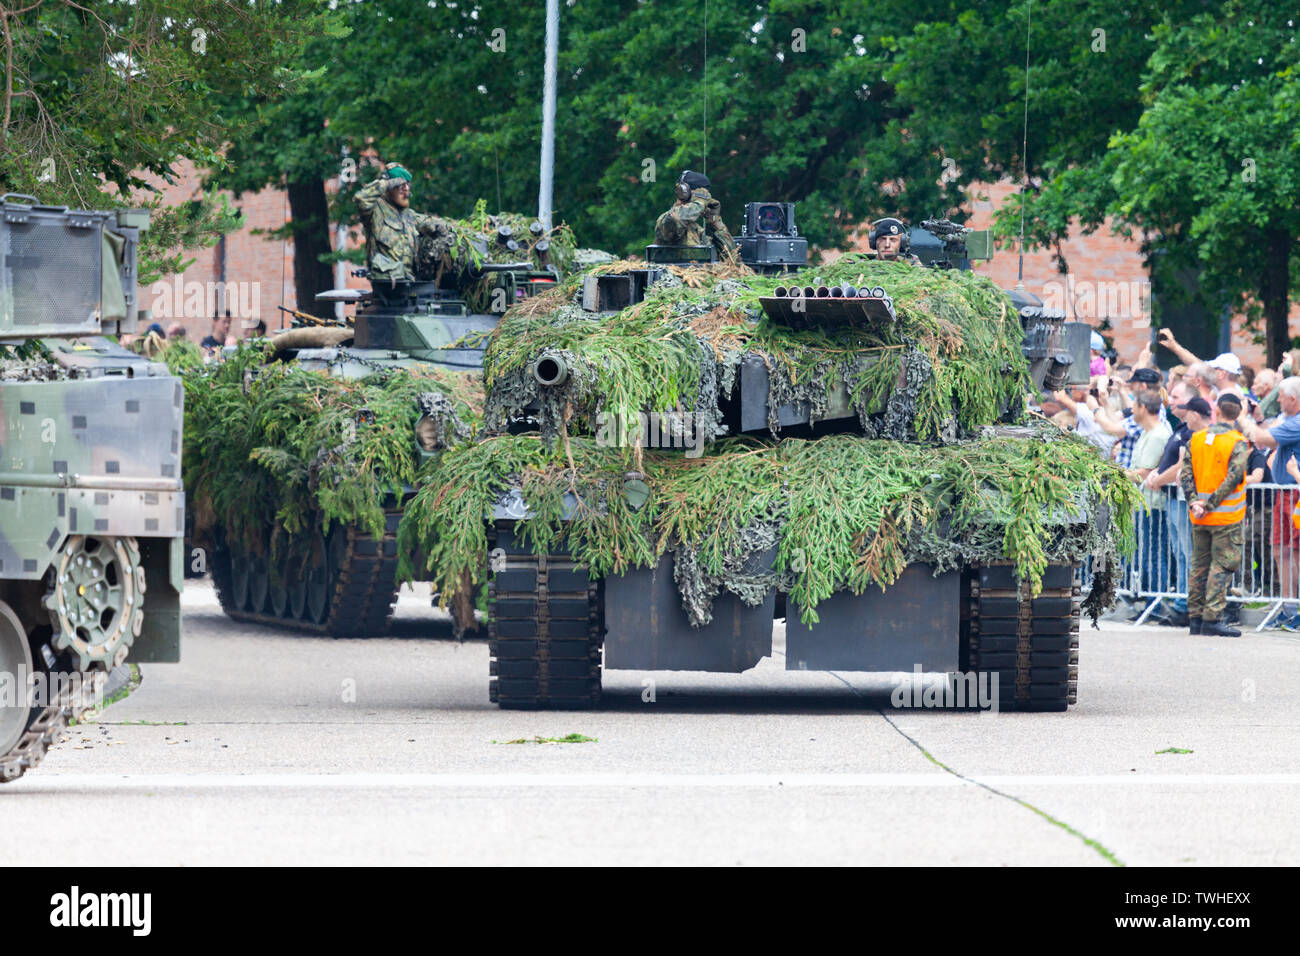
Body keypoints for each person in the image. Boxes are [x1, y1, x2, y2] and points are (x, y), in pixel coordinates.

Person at [1179, 393, 1250, 636]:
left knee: (1199, 566)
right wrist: (1209, 504)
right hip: (1226, 518)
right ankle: (1212, 618)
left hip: (1199, 516)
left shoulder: (1196, 439)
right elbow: (1235, 477)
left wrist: (1194, 503)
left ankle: (1195, 618)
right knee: (1221, 566)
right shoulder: (1238, 441)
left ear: (1217, 411)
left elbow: (1185, 474)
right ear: (1238, 414)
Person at [1235, 376, 1300, 628]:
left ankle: (1293, 608)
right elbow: (1268, 431)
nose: (1278, 400)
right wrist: (1257, 418)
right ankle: (1287, 607)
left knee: (1292, 550)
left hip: (1293, 494)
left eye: (1280, 396)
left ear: (1292, 399)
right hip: (1283, 493)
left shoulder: (1297, 422)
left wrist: (1242, 417)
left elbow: (1262, 439)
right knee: (1279, 549)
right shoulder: (1289, 420)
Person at [1145, 389, 1214, 627]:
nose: (1173, 403)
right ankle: (1183, 602)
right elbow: (1170, 460)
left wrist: (1158, 479)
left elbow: (1181, 466)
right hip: (1174, 498)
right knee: (1181, 553)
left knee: (1189, 553)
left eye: (1176, 398)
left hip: (1187, 499)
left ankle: (1188, 604)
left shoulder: (1199, 435)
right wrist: (1157, 473)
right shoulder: (1182, 430)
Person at [354, 162, 451, 281]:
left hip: (411, 285)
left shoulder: (410, 216)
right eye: (400, 185)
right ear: (389, 188)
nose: (406, 189)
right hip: (386, 286)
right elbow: (361, 199)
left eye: (407, 184)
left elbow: (435, 223)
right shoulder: (376, 211)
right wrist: (388, 182)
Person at [1127, 391, 1173, 618]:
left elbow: (1143, 472)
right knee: (1147, 553)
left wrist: (1115, 475)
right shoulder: (1149, 433)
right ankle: (1149, 600)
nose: (1131, 410)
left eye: (1134, 406)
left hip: (1153, 504)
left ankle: (1155, 602)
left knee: (1154, 553)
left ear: (1143, 408)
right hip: (1144, 503)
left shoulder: (1157, 435)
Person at [654, 170, 740, 265]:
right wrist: (699, 203)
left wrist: (715, 222)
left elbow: (732, 260)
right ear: (683, 191)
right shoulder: (666, 220)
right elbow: (675, 220)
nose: (705, 200)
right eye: (701, 194)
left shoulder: (698, 232)